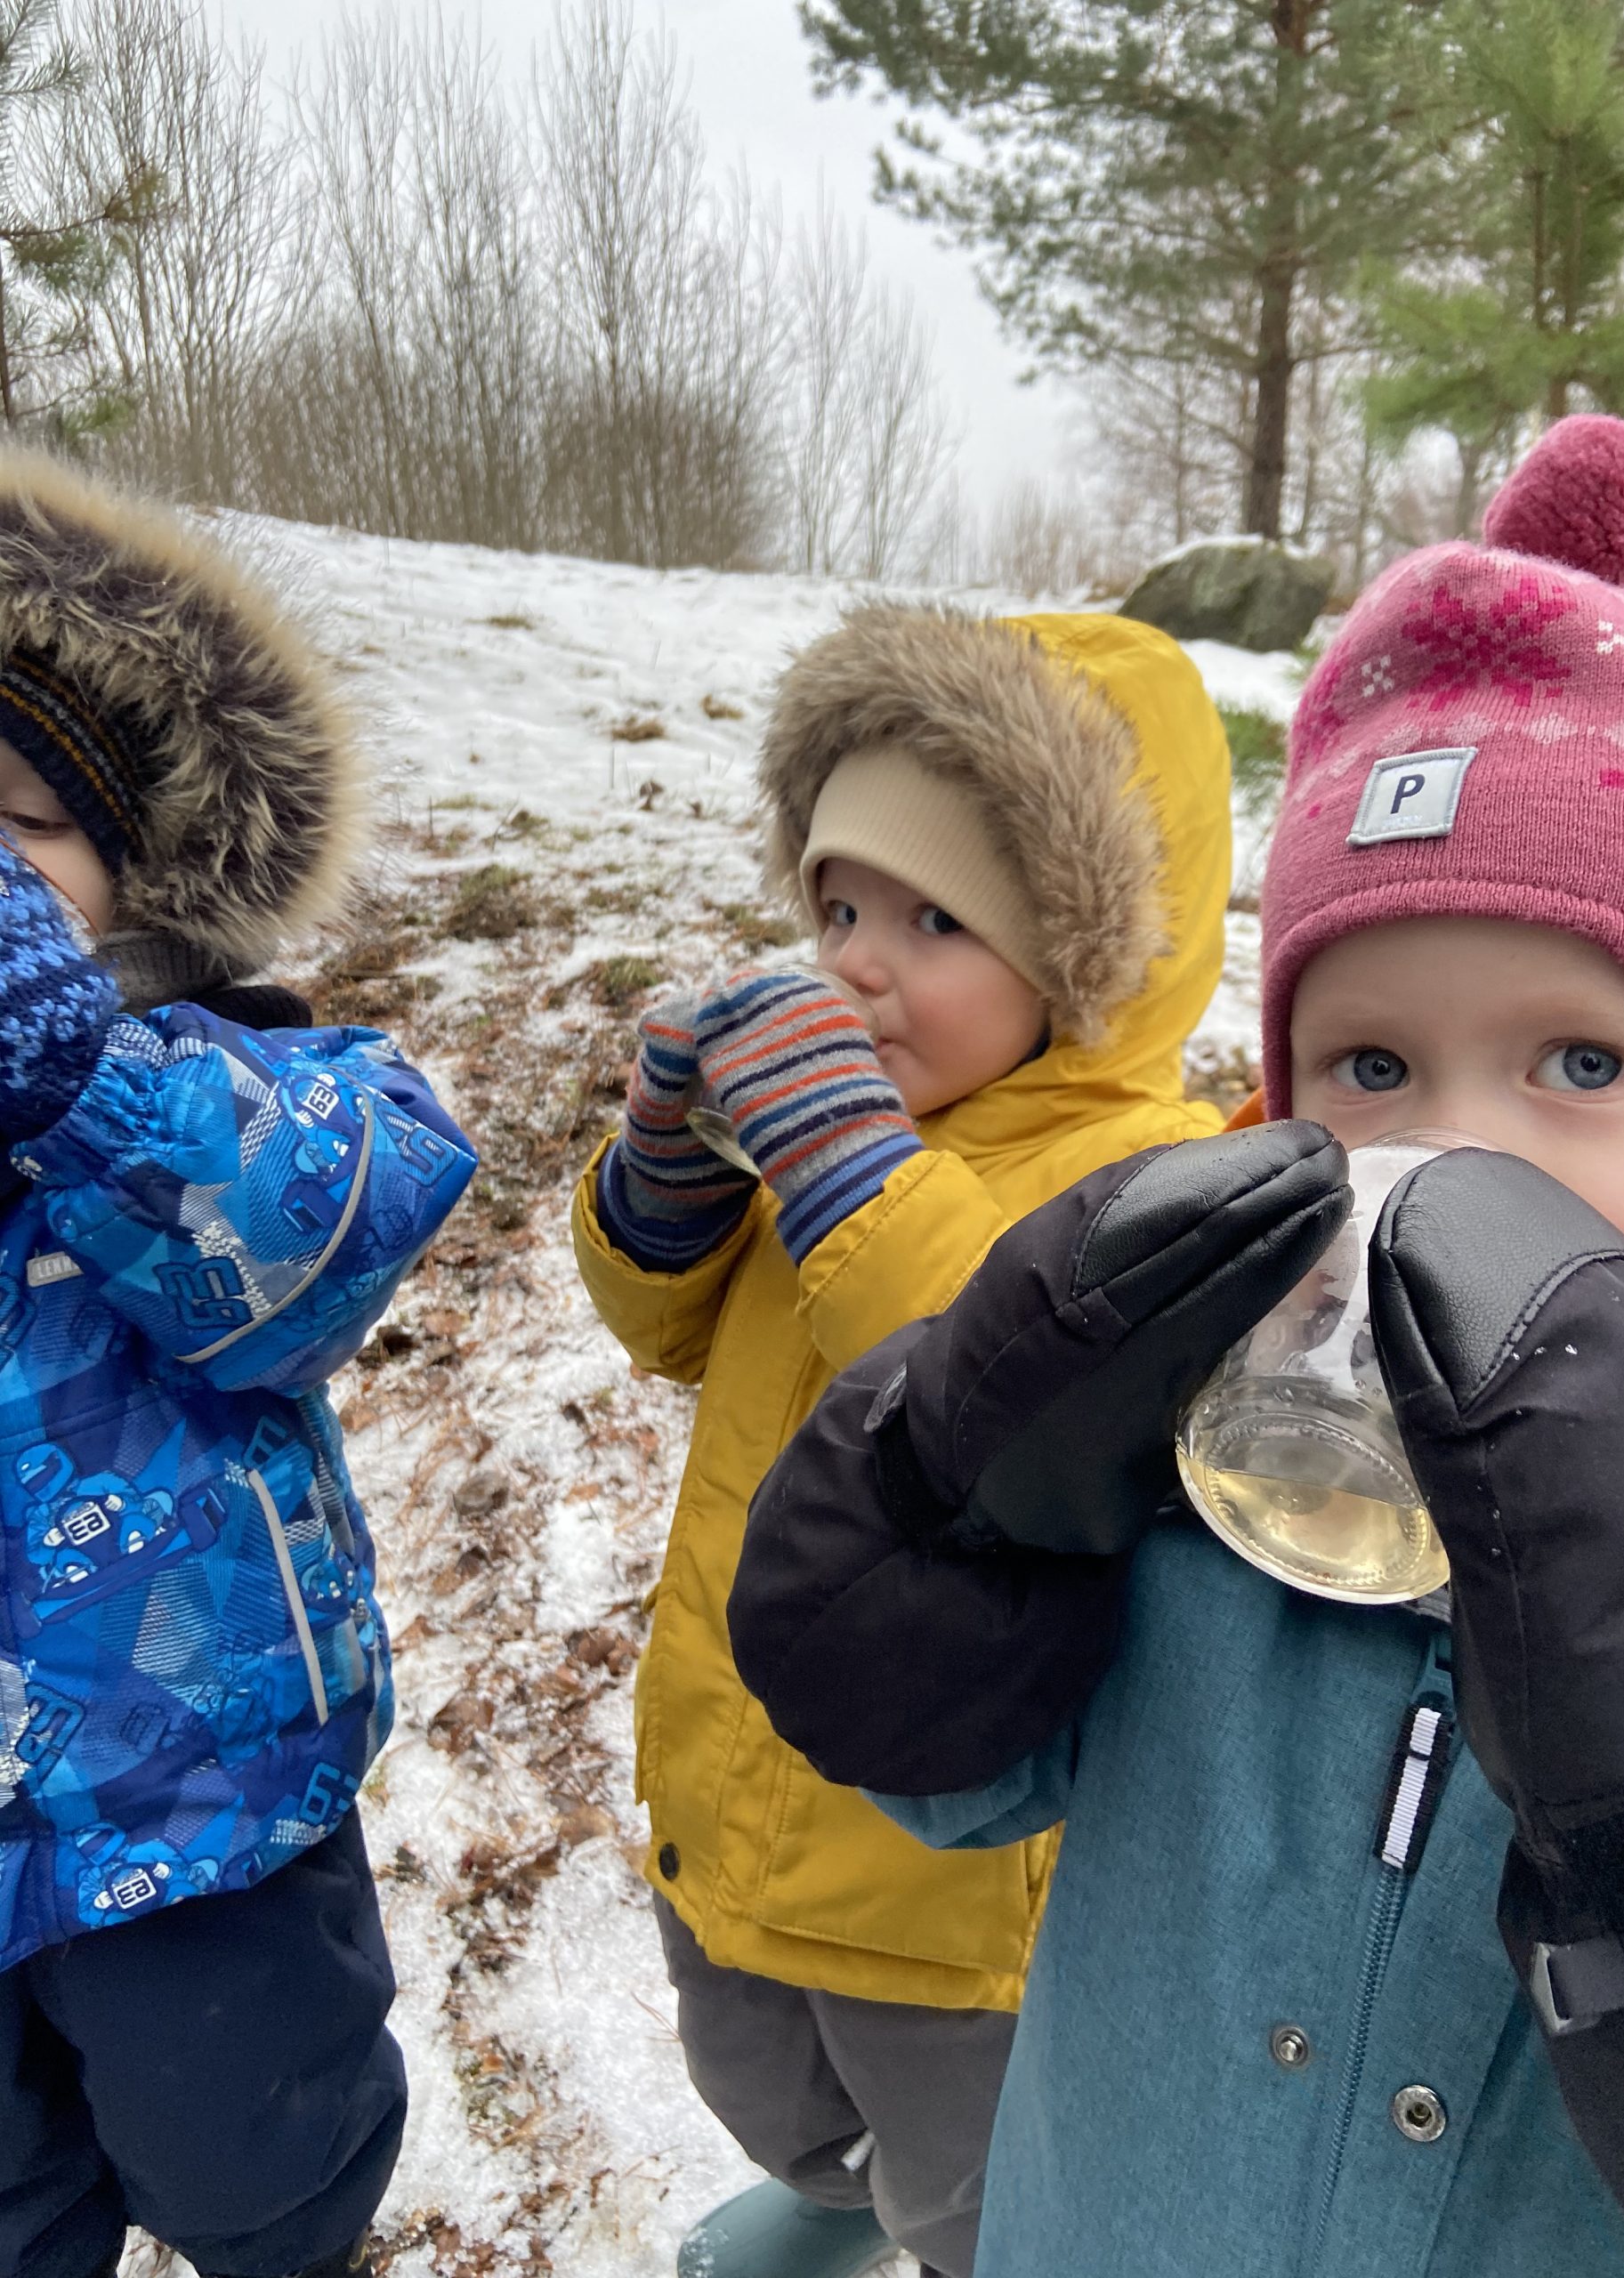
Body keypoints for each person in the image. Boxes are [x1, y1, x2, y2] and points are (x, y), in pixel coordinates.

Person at [728, 416, 1624, 2277]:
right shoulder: (1212, 1473)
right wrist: (953, 1462)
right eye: (1371, 1068)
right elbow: (923, 1757)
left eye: (1581, 1064)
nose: (1450, 1160)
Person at [571, 601, 1232, 2278]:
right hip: (739, 1768)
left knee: (976, 2182)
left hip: (944, 1879)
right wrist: (668, 1185)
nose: (856, 960)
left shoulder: (1151, 1175)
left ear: (1088, 962)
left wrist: (853, 1170)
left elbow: (1009, 1400)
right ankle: (829, 2196)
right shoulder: (848, 1131)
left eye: (935, 919)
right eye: (839, 902)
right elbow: (667, 1335)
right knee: (762, 2083)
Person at [0, 455, 478, 2278]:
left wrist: (74, 1083)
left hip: (193, 1795)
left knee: (255, 2160)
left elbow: (316, 1235)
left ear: (143, 878)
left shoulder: (222, 1068)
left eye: (27, 821)